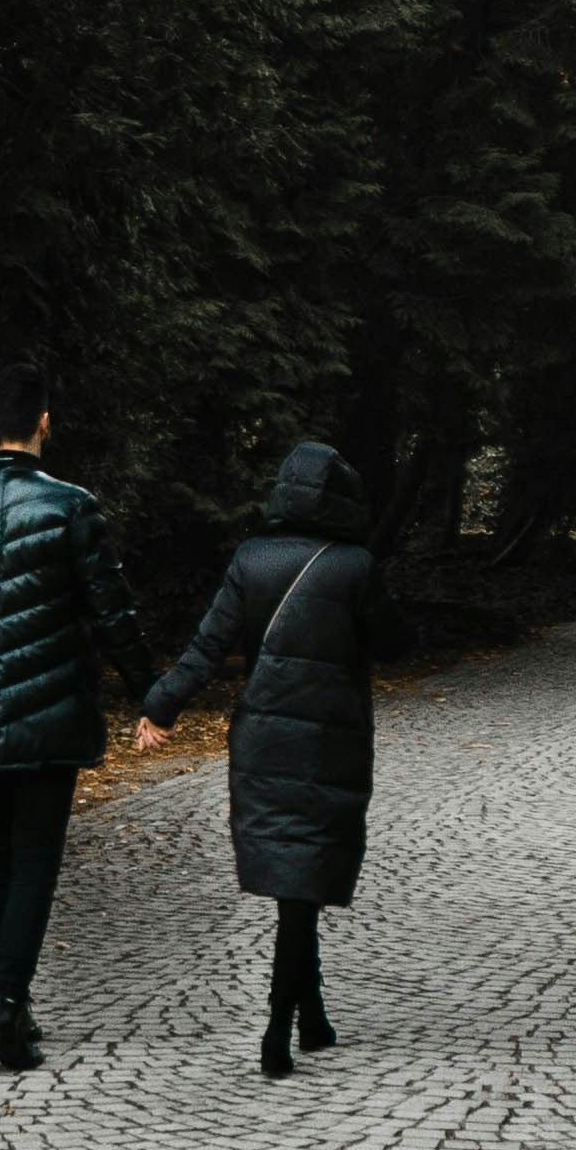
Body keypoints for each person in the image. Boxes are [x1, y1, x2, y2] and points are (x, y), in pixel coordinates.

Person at [0, 363, 157, 1073]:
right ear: (44, 422)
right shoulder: (71, 506)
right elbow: (111, 611)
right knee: (35, 860)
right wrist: (152, 691)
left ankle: (6, 1002)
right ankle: (8, 1005)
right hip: (48, 715)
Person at [135, 440, 398, 1079]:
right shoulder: (355, 566)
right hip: (331, 739)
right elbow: (391, 642)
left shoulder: (252, 559)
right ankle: (279, 1030)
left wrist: (159, 706)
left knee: (292, 882)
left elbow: (207, 647)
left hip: (263, 742)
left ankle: (311, 1017)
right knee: (302, 880)